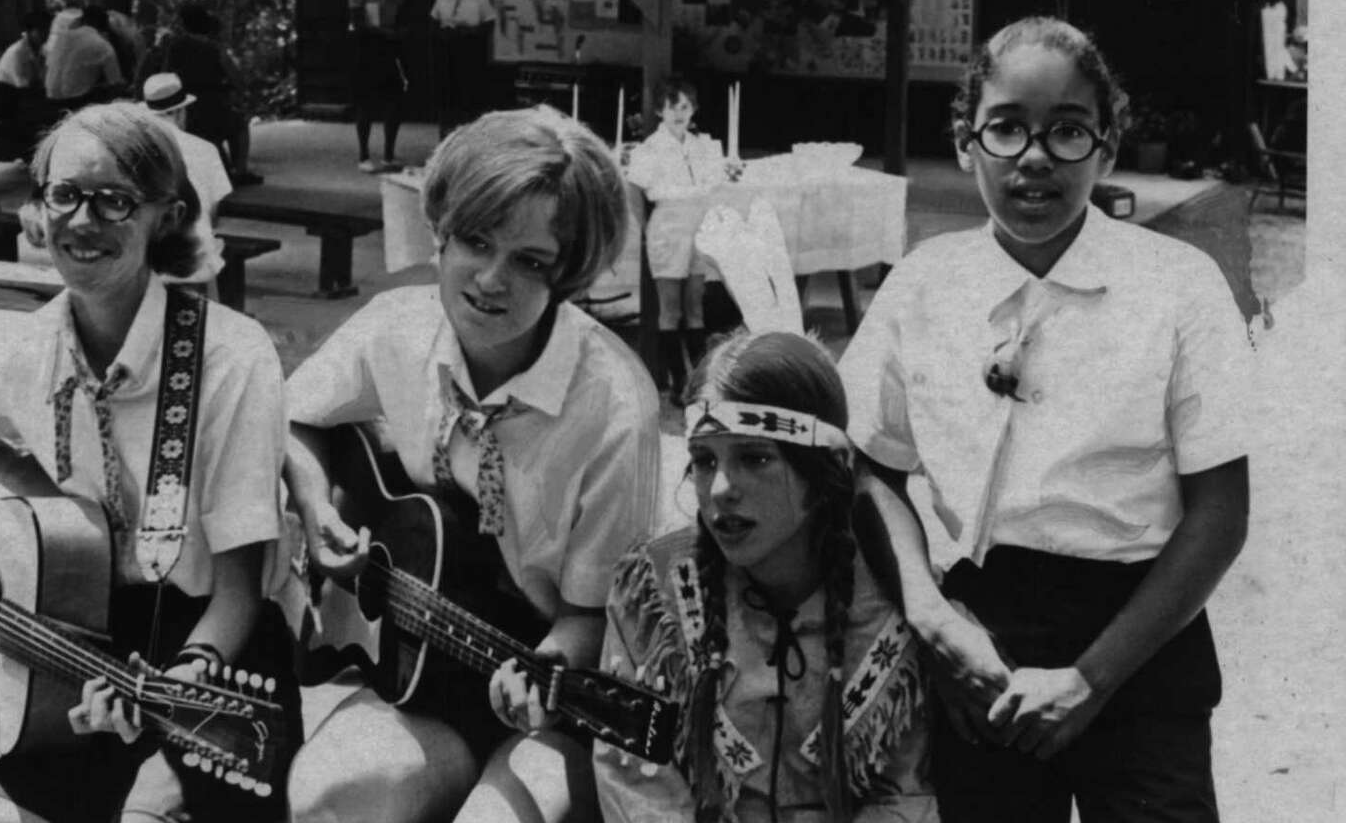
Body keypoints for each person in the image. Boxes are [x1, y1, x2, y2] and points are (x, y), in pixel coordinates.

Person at [840, 16, 1252, 823]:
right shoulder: (926, 283)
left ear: (1107, 144)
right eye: (1006, 128)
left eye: (1068, 131)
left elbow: (1222, 512)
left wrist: (1092, 680)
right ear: (965, 142)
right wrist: (930, 618)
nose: (1035, 157)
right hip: (978, 643)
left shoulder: (1178, 287)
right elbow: (868, 467)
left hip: (1142, 637)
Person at [0, 102, 302, 821]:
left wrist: (169, 690)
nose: (82, 220)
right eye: (64, 195)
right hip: (63, 656)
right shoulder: (26, 351)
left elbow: (239, 593)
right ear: (37, 211)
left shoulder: (230, 356)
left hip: (211, 662)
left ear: (166, 215)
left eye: (115, 200)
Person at [284, 105, 661, 823]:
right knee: (327, 802)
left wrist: (545, 672)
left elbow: (595, 616)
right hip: (419, 679)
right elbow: (294, 413)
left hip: (556, 698)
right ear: (440, 235)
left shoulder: (613, 403)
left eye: (530, 261)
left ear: (569, 274)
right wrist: (314, 504)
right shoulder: (398, 327)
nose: (491, 279)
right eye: (476, 242)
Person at [593, 330, 935, 823]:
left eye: (755, 459)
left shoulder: (889, 609)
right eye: (705, 461)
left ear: (822, 476)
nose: (722, 490)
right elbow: (637, 785)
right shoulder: (653, 595)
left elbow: (905, 796)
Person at [624, 78, 725, 401]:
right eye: (672, 107)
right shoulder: (649, 149)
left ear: (693, 109)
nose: (679, 113)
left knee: (695, 305)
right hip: (667, 227)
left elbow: (713, 183)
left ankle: (699, 384)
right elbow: (634, 191)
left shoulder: (702, 146)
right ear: (660, 111)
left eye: (684, 106)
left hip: (698, 225)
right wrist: (645, 228)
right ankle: (677, 382)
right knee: (670, 310)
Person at [140, 3, 260, 185]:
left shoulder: (174, 46)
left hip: (182, 106)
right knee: (240, 125)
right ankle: (240, 170)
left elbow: (166, 74)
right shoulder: (213, 47)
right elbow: (236, 78)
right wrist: (236, 93)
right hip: (212, 108)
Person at [143, 71, 234, 286]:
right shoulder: (205, 149)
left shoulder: (135, 149)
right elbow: (213, 214)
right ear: (179, 111)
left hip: (144, 262)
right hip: (197, 258)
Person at [347, 0, 407, 173]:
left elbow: (400, 13)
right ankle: (363, 154)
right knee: (366, 101)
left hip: (388, 49)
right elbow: (357, 21)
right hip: (366, 48)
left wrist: (397, 32)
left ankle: (389, 154)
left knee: (394, 99)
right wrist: (383, 32)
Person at [430, 0, 497, 136]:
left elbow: (489, 24)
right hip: (446, 47)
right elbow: (434, 20)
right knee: (446, 94)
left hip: (468, 49)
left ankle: (468, 137)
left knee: (468, 94)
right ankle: (445, 137)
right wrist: (440, 33)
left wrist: (470, 31)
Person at [0, 8, 54, 157]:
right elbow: (24, 88)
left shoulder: (40, 50)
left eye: (48, 31)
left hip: (18, 93)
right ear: (30, 32)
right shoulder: (18, 52)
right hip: (1, 95)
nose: (46, 35)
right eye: (41, 31)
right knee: (34, 110)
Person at [44, 3, 125, 111]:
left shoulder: (61, 37)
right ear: (105, 27)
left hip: (49, 99)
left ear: (81, 20)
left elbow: (47, 66)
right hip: (75, 103)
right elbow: (115, 83)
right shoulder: (102, 44)